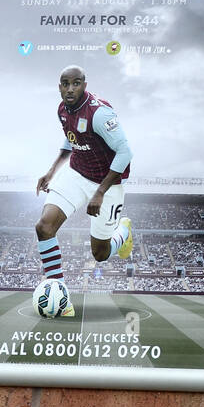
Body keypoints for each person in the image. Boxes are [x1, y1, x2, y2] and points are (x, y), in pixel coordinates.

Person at [33, 65, 134, 316]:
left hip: (107, 185)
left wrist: (99, 193)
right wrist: (51, 171)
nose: (70, 89)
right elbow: (71, 139)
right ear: (59, 86)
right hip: (76, 174)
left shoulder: (99, 114)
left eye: (76, 83)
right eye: (65, 83)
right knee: (44, 227)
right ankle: (60, 295)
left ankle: (123, 232)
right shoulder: (62, 109)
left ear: (84, 85)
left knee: (99, 254)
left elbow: (125, 153)